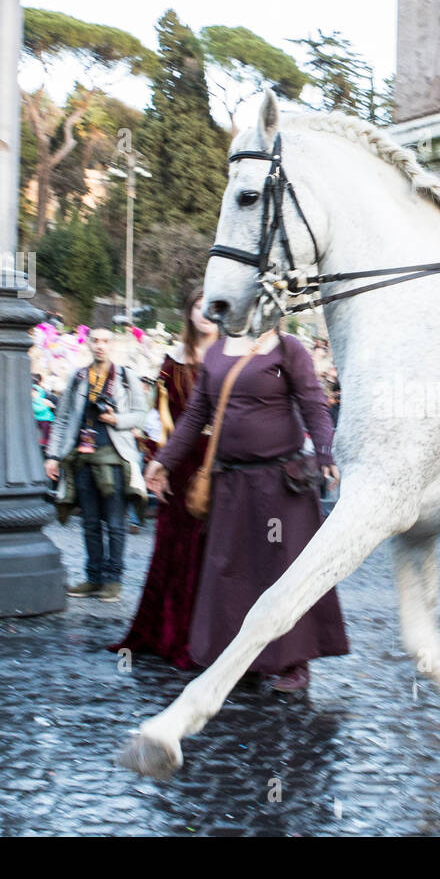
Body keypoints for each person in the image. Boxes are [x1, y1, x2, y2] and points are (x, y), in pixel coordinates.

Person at [144, 325, 347, 692]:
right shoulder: (218, 352)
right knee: (232, 573)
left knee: (281, 571)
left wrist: (325, 452)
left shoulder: (288, 349)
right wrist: (165, 460)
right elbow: (195, 415)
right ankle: (244, 660)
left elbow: (313, 402)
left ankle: (292, 662)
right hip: (231, 484)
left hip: (280, 485)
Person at [109, 291, 218, 668]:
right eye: (196, 306)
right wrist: (159, 465)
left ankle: (211, 635)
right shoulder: (173, 362)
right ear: (188, 312)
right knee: (174, 548)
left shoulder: (233, 358)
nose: (204, 313)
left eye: (211, 306)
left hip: (222, 464)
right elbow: (160, 419)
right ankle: (169, 631)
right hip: (181, 463)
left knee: (215, 550)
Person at [45, 328, 148, 603]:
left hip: (114, 459)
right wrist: (53, 455)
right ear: (88, 343)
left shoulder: (126, 376)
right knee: (90, 523)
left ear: (112, 345)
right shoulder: (79, 376)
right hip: (82, 459)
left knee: (115, 523)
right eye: (95, 341)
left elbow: (141, 414)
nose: (100, 346)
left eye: (105, 341)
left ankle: (112, 580)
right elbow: (63, 418)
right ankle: (93, 578)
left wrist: (118, 420)